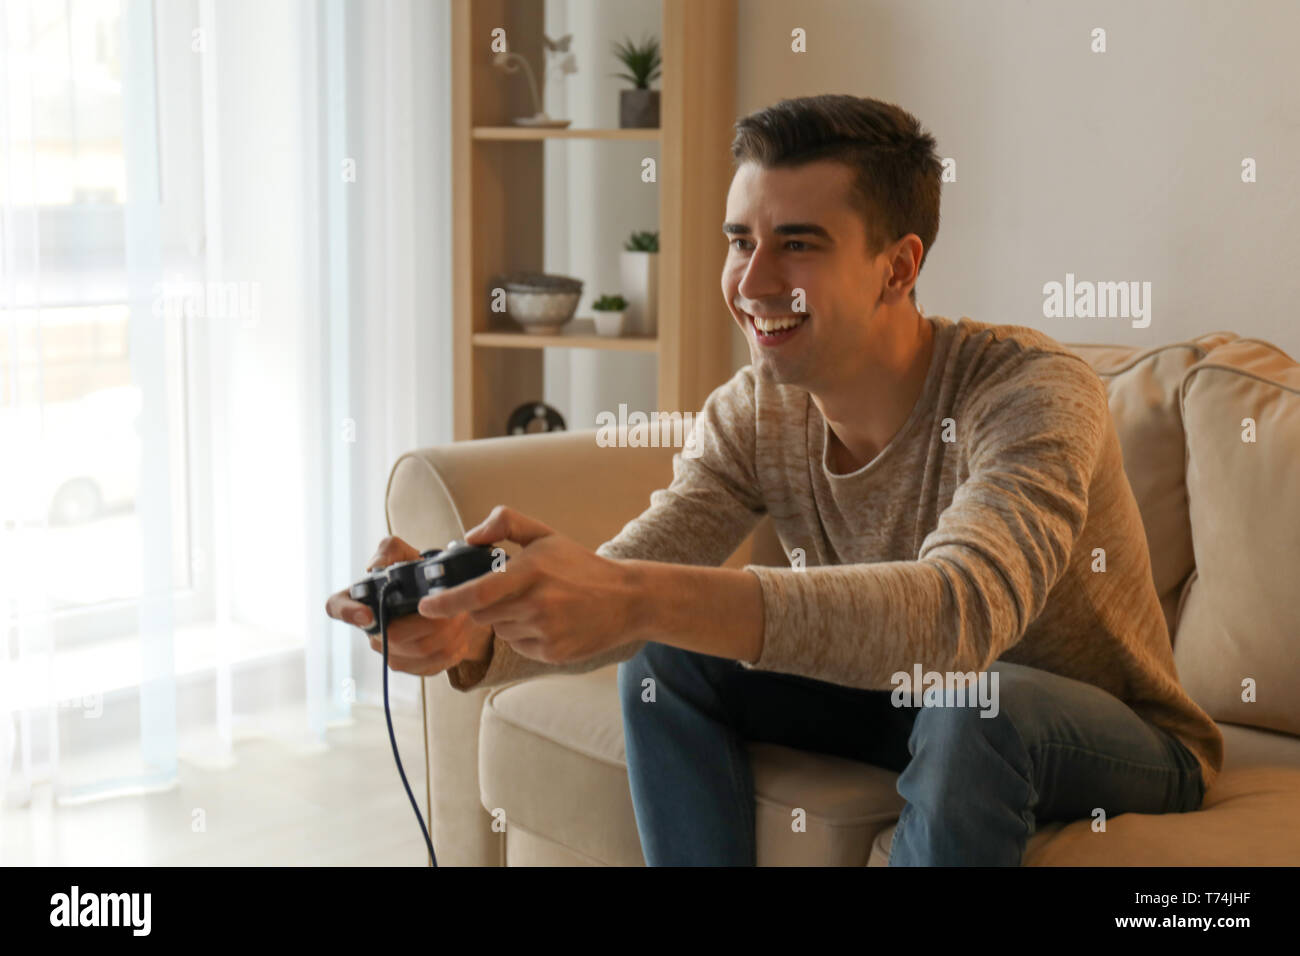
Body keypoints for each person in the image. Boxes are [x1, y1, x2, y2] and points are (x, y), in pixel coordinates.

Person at [324, 94, 1221, 866]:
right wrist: (475, 631)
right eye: (739, 240)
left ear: (898, 267)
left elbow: (957, 620)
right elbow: (626, 580)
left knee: (972, 704)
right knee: (668, 660)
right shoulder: (757, 411)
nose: (752, 281)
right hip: (904, 703)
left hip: (1106, 735)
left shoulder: (1031, 393)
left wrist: (637, 594)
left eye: (797, 244)